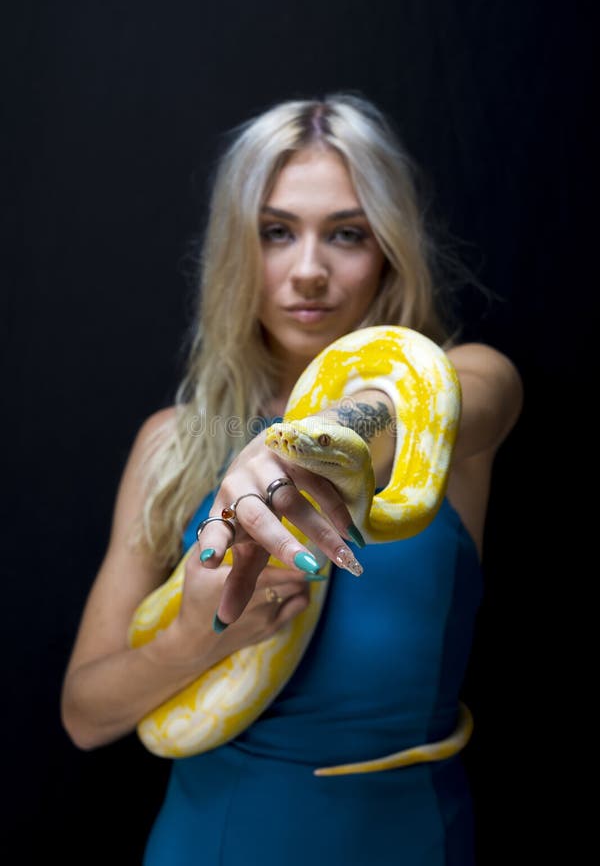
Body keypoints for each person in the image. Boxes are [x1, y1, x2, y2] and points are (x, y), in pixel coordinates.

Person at [61, 93, 523, 865]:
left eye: (346, 234)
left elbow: (421, 407)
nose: (308, 271)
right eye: (277, 233)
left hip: (410, 843)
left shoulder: (456, 384)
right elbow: (85, 717)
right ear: (239, 250)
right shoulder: (170, 445)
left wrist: (309, 447)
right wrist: (202, 634)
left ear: (388, 248)